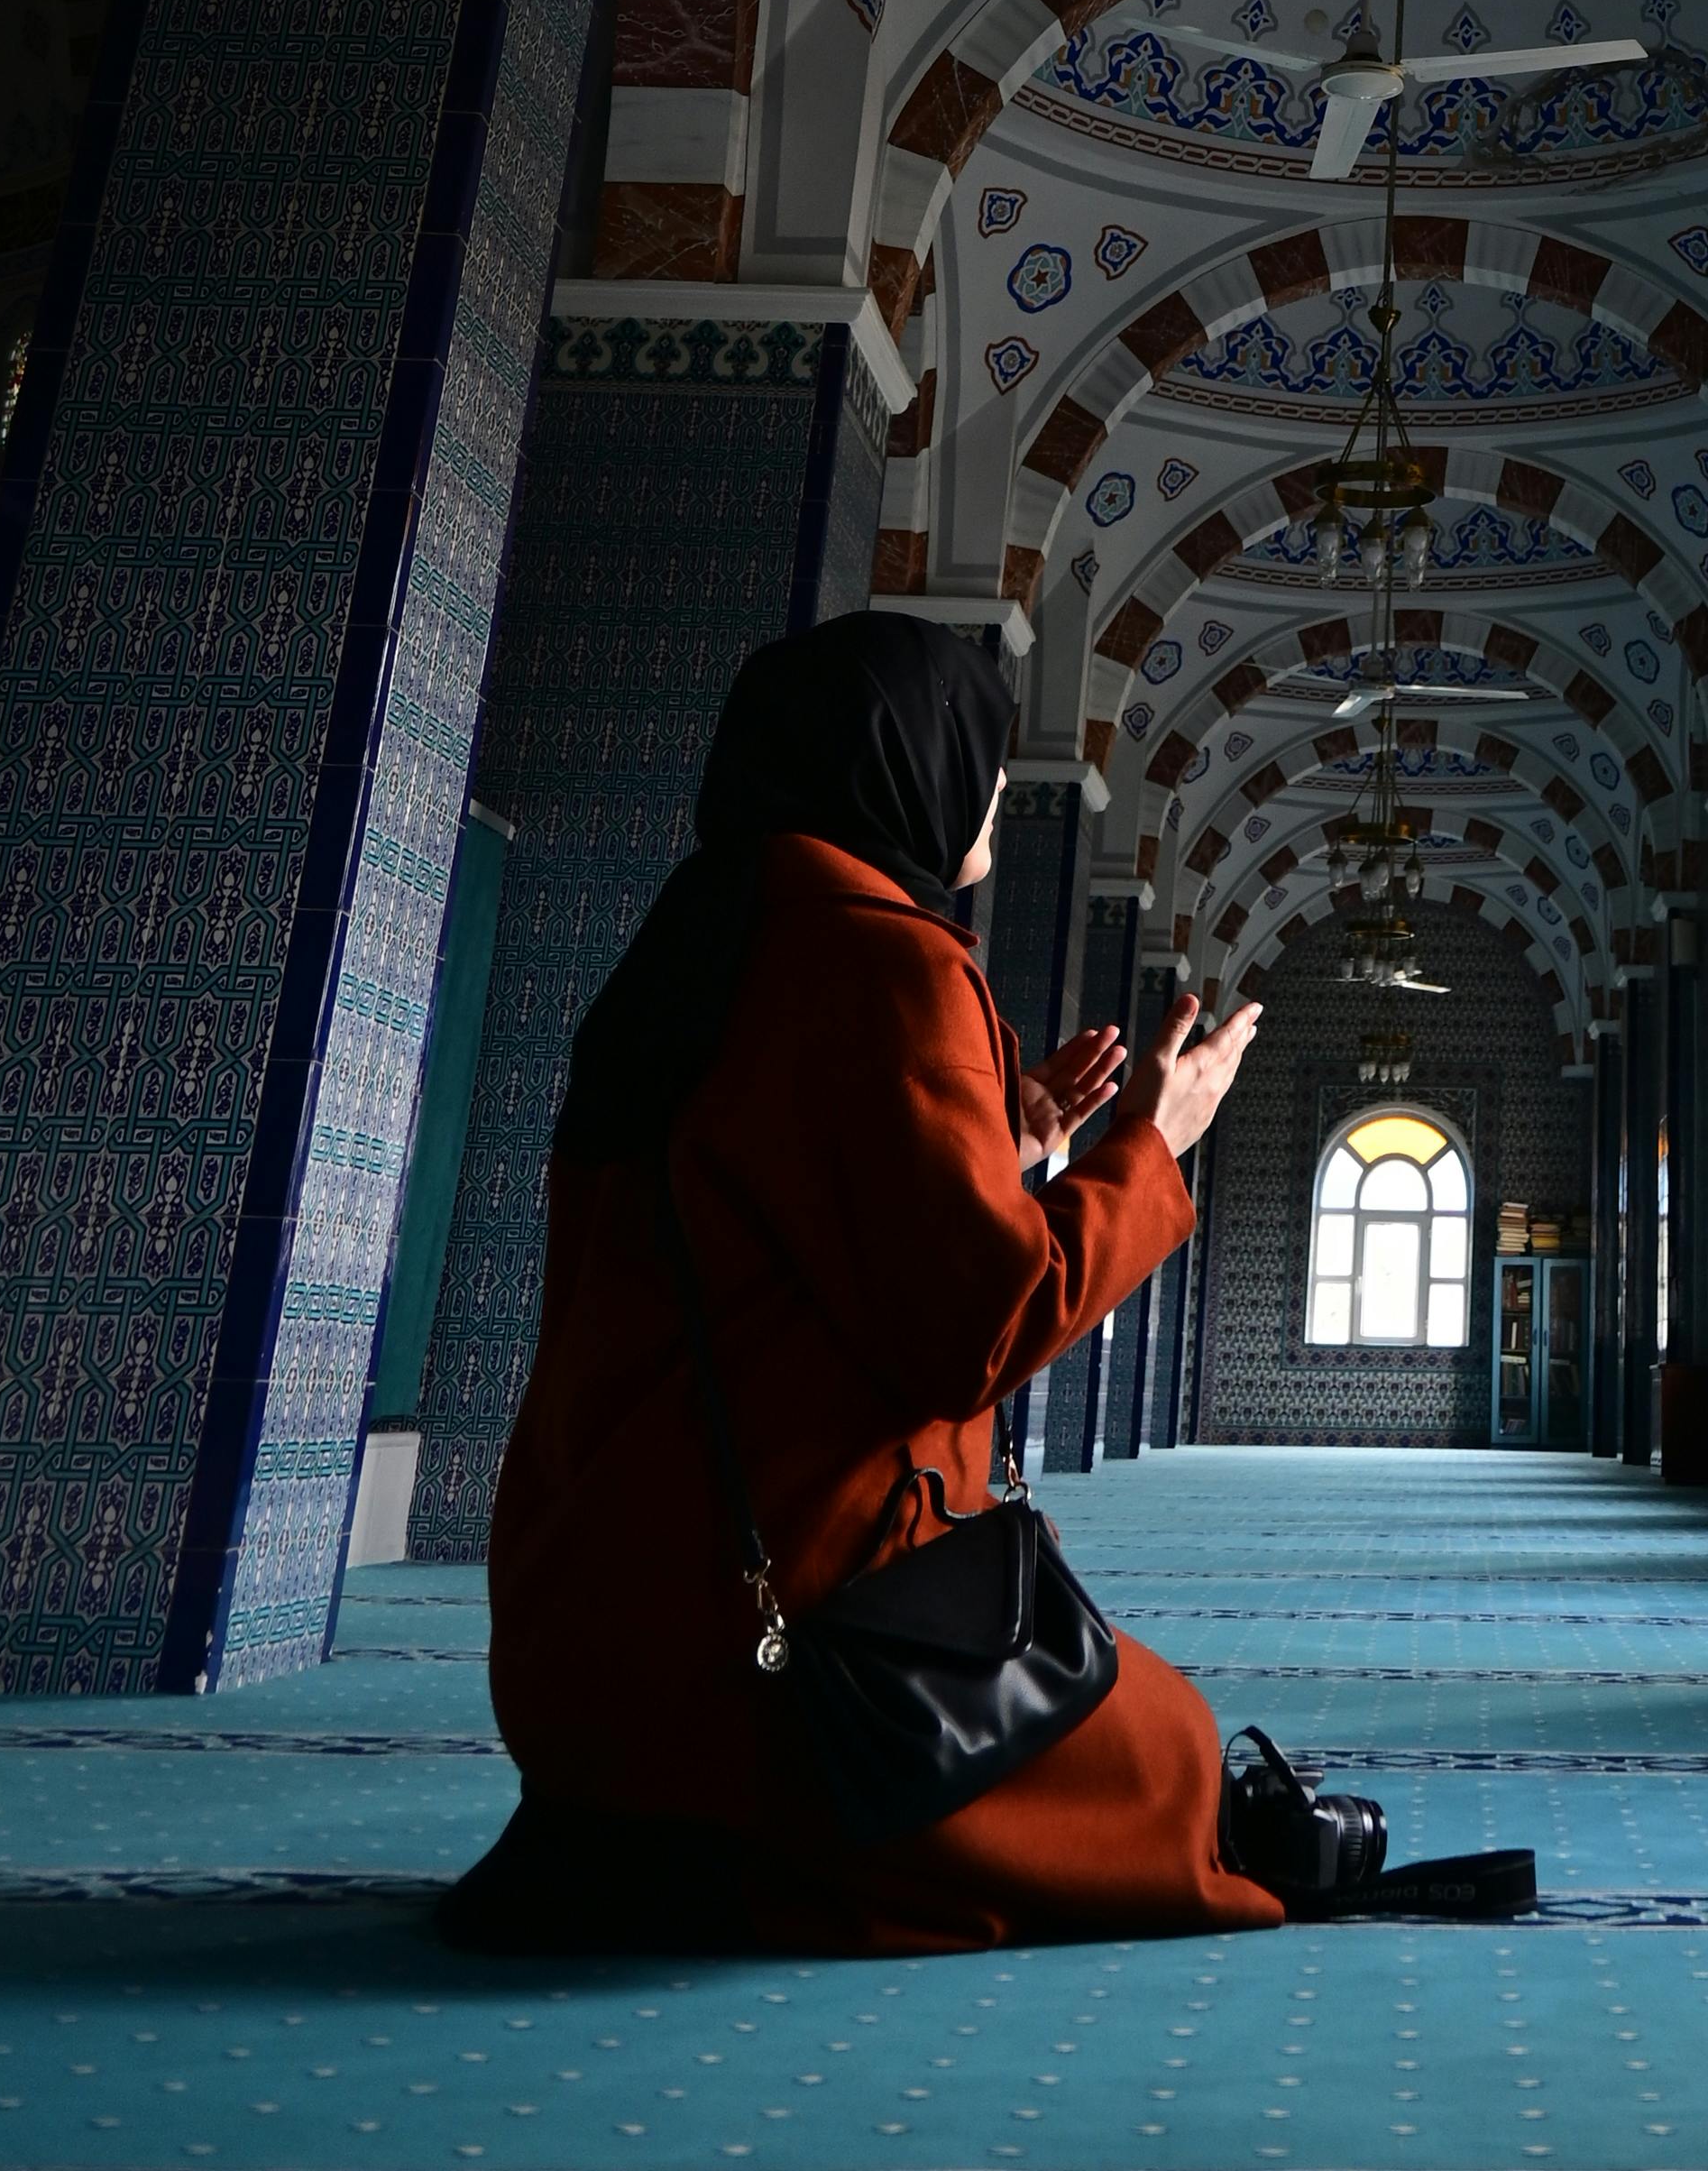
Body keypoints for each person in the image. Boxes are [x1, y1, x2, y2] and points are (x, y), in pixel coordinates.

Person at [447, 609, 1280, 1953]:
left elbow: (780, 1209)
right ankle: (751, 1848)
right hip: (776, 1645)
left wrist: (1014, 1142)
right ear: (904, 761)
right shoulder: (887, 958)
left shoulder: (702, 938)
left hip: (579, 1636)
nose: (996, 788)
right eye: (981, 756)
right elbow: (981, 1326)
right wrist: (1152, 1149)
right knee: (1175, 1760)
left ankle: (653, 1839)